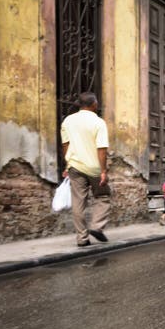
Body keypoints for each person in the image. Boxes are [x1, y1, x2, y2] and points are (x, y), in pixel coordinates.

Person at [60, 92, 111, 247]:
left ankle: (82, 238)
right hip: (94, 167)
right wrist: (103, 171)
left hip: (74, 166)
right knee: (103, 196)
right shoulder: (98, 122)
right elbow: (101, 149)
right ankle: (96, 227)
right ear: (94, 104)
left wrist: (67, 165)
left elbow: (65, 145)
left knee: (78, 202)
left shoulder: (68, 121)